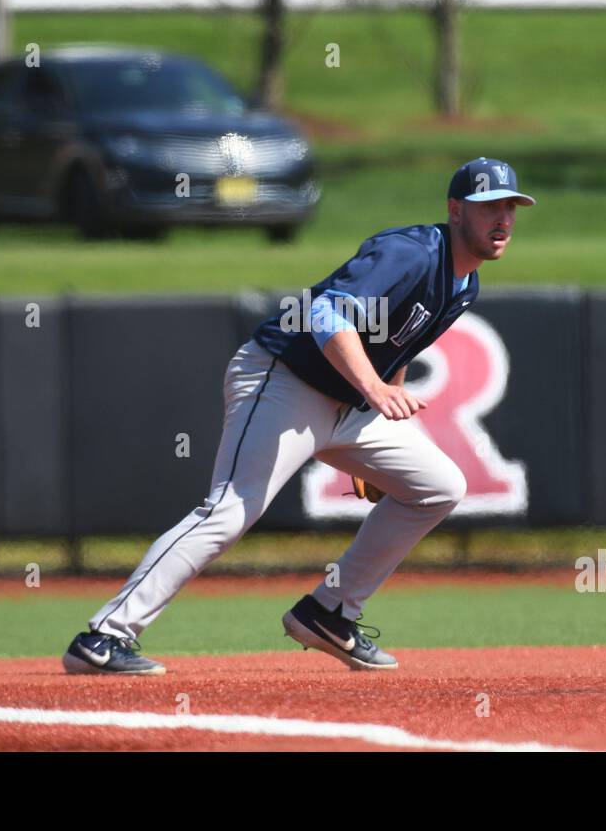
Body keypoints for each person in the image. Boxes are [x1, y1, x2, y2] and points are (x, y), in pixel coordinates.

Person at [62, 157, 535, 674]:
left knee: (439, 485)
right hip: (283, 379)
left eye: (511, 206)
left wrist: (373, 436)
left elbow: (396, 352)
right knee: (230, 512)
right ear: (455, 210)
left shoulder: (464, 285)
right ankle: (104, 637)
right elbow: (325, 313)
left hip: (348, 404)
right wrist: (373, 390)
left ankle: (330, 611)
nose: (503, 218)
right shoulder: (411, 253)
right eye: (489, 205)